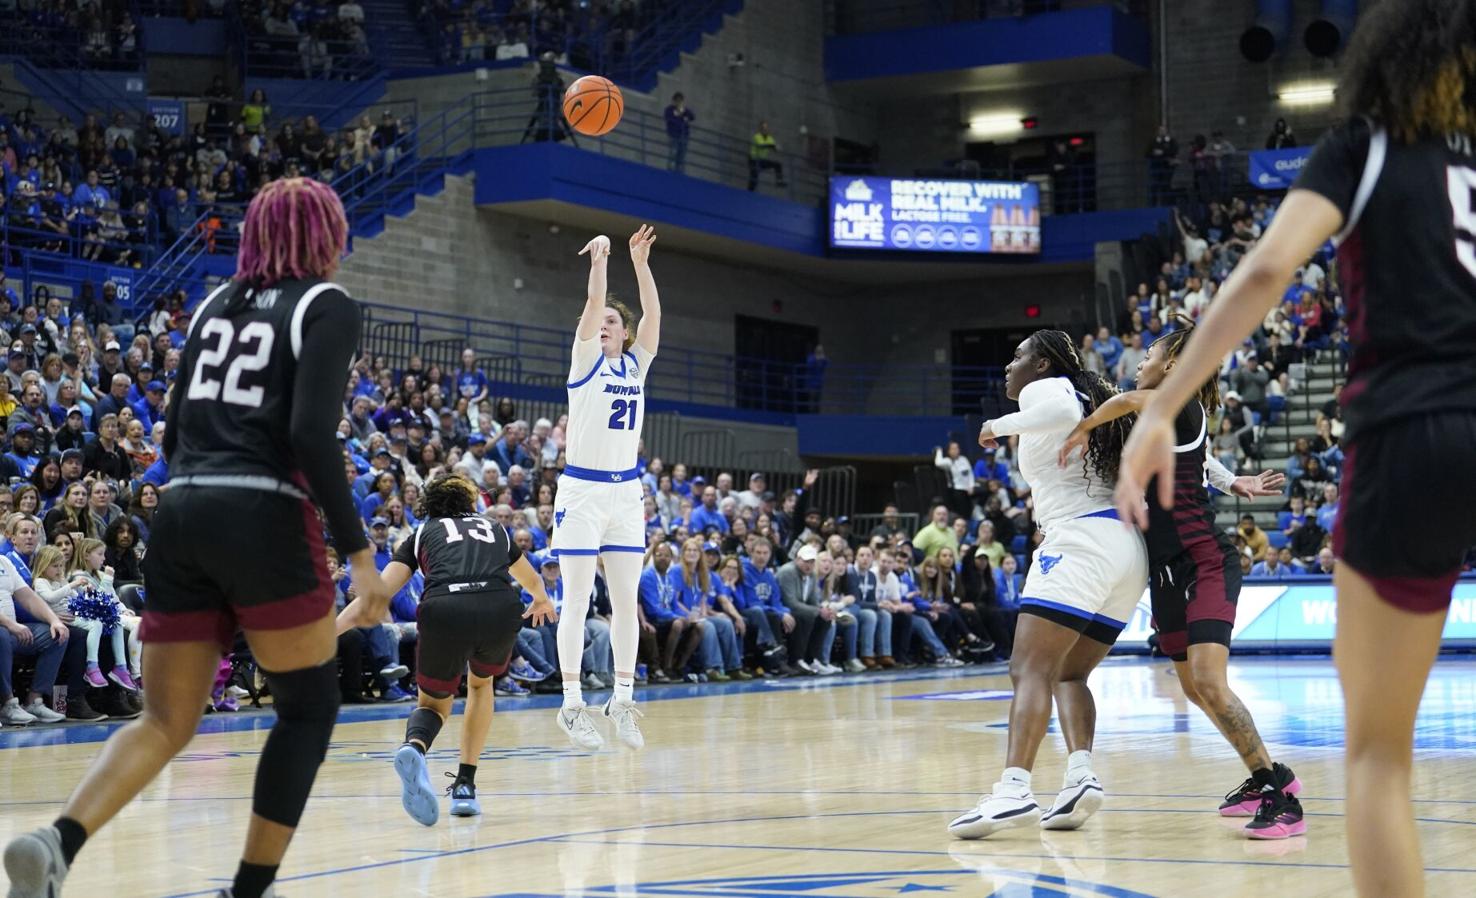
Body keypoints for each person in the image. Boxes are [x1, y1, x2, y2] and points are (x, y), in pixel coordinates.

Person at [1118, 5, 1476, 889]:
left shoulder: (1365, 146)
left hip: (1413, 427)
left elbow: (1270, 269)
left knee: (1380, 758)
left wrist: (1161, 411)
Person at [4, 178, 391, 898]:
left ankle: (56, 840)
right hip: (264, 513)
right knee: (307, 707)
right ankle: (249, 889)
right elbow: (310, 434)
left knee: (164, 719)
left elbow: (176, 430)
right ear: (327, 238)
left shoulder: (215, 306)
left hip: (180, 510)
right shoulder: (326, 304)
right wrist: (362, 558)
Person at [1065, 319, 1303, 840]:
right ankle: (1270, 774)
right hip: (1165, 572)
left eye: (1148, 353)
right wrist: (1232, 479)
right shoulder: (1165, 417)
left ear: (1171, 366)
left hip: (1204, 560)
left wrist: (1081, 428)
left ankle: (1280, 797)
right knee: (1195, 688)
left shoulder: (1180, 402)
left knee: (1210, 682)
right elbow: (1198, 457)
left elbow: (1128, 402)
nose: (1140, 360)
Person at [948, 330, 1148, 840]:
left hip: (1079, 541)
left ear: (1043, 363)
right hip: (1126, 550)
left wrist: (997, 424)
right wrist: (1228, 478)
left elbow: (1057, 412)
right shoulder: (1098, 396)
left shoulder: (1049, 389)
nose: (1008, 366)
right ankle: (1081, 776)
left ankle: (1014, 790)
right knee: (1068, 674)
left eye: (1017, 356)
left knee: (1028, 668)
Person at [338, 474, 556, 826]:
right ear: (469, 502)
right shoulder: (494, 528)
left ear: (430, 505)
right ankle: (466, 786)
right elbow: (531, 579)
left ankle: (415, 746)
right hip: (499, 607)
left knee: (434, 704)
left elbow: (376, 596)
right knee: (481, 684)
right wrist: (542, 599)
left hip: (445, 609)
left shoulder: (423, 533)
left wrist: (332, 630)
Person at [551, 225, 661, 754]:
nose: (603, 326)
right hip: (582, 492)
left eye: (613, 323)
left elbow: (655, 321)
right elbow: (595, 301)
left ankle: (621, 699)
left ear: (624, 333)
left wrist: (640, 264)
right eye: (598, 322)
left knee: (624, 601)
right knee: (575, 600)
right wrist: (600, 259)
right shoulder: (584, 361)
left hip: (626, 495)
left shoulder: (637, 366)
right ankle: (571, 704)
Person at [747, 121, 786, 191]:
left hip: (761, 160)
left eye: (766, 128)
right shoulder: (757, 136)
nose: (764, 129)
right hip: (753, 159)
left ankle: (779, 181)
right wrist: (772, 146)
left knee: (777, 165)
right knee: (754, 178)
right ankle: (749, 192)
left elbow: (774, 147)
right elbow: (761, 146)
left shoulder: (769, 138)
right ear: (760, 129)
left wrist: (778, 148)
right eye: (763, 128)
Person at [664, 92, 694, 173]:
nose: (679, 102)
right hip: (674, 135)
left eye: (680, 101)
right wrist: (681, 118)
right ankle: (670, 172)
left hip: (684, 136)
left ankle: (679, 173)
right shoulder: (669, 110)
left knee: (681, 156)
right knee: (673, 154)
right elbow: (670, 119)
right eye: (677, 100)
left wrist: (683, 112)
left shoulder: (684, 110)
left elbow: (692, 116)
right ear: (674, 101)